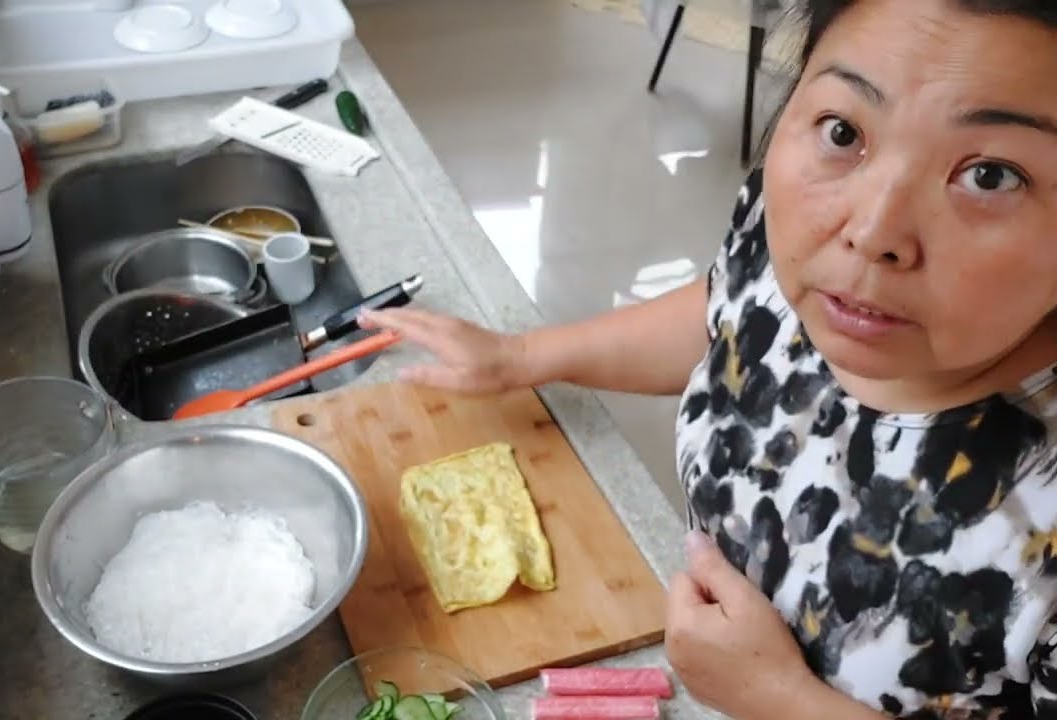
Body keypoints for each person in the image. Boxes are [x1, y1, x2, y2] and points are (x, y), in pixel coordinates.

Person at [361, 0, 1057, 717]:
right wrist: (523, 356)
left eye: (992, 176)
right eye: (845, 130)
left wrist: (779, 701)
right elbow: (730, 314)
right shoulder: (800, 248)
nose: (872, 230)